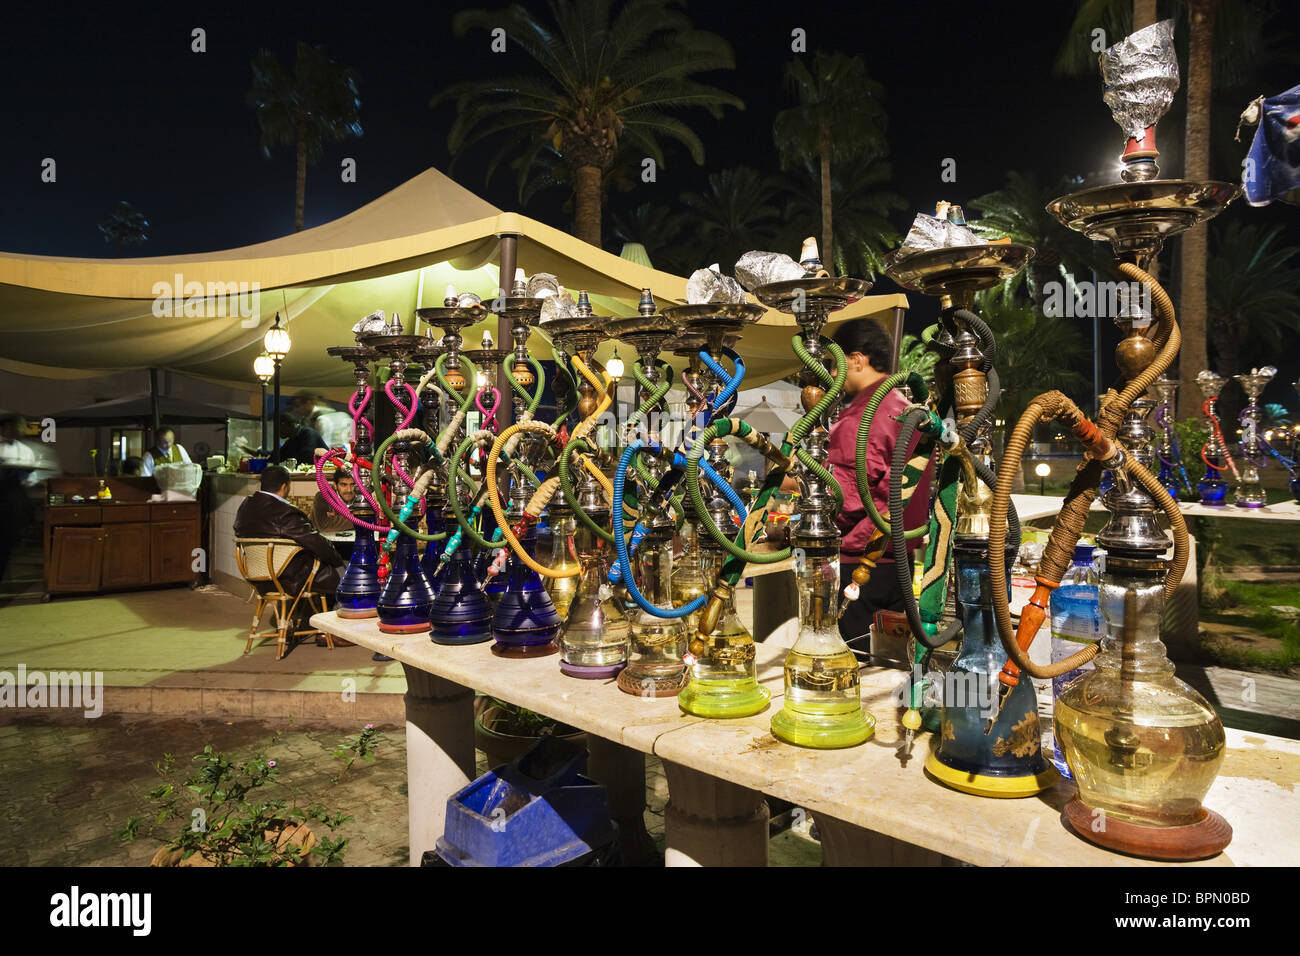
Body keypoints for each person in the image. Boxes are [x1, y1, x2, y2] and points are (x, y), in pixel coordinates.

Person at [827, 319, 934, 644]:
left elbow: (845, 498)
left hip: (861, 562)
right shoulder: (905, 408)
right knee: (893, 659)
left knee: (854, 660)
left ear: (857, 360)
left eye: (835, 364)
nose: (832, 376)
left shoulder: (862, 417)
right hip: (900, 562)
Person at [233, 465, 351, 647]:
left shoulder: (245, 508)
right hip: (291, 577)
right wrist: (336, 560)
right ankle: (334, 631)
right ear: (284, 486)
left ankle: (296, 622)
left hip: (257, 576)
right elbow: (316, 542)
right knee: (346, 571)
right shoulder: (283, 512)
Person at [312, 470, 356, 534]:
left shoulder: (361, 496)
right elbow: (324, 526)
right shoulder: (323, 496)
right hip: (320, 541)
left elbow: (373, 519)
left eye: (352, 485)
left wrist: (337, 517)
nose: (349, 490)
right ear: (335, 485)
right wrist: (359, 519)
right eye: (343, 485)